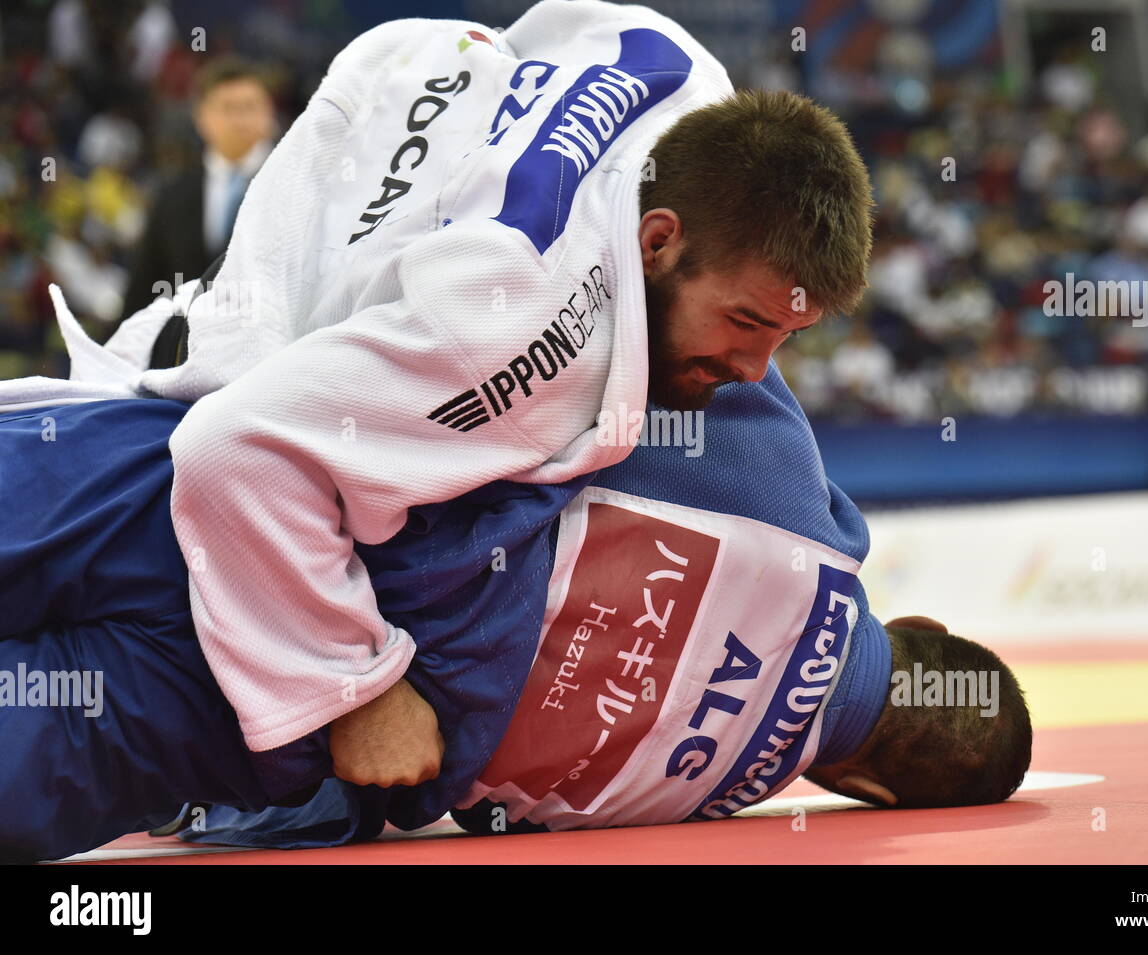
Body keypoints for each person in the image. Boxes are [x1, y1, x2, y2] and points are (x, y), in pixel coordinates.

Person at [0, 0, 876, 793]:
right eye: (745, 321)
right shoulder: (529, 346)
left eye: (786, 336)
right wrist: (355, 688)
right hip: (263, 309)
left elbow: (531, 39)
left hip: (411, 79)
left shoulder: (683, 72)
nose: (759, 369)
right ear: (658, 240)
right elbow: (229, 449)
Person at [0, 361, 1031, 861]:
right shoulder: (666, 810)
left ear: (921, 630)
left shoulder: (778, 461)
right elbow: (408, 797)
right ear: (862, 786)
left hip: (211, 506)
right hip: (224, 723)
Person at [116, 57, 276, 325]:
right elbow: (142, 288)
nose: (240, 119)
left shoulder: (298, 184)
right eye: (227, 108)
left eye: (250, 107)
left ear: (269, 112)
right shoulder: (171, 196)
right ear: (201, 117)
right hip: (188, 351)